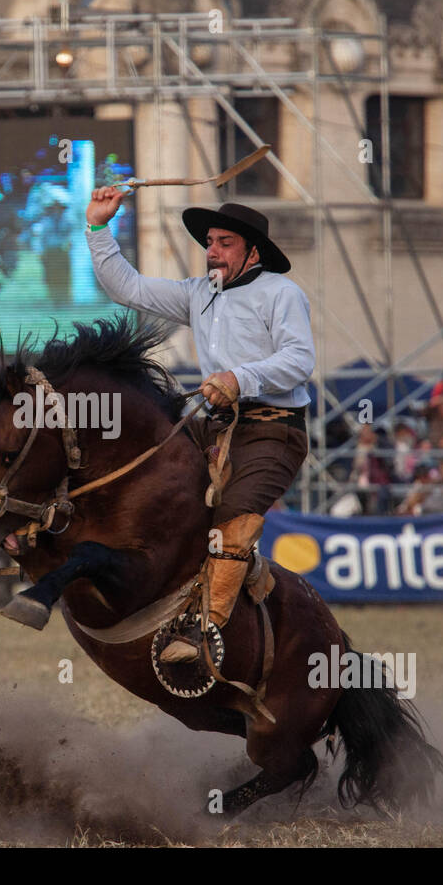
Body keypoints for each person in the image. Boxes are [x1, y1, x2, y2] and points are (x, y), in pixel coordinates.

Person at [86, 189, 313, 666]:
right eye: (209, 241)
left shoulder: (282, 293)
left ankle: (204, 631)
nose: (211, 250)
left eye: (224, 242)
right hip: (215, 429)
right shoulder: (198, 292)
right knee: (160, 494)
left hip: (274, 431)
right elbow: (127, 288)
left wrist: (238, 378)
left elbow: (299, 360)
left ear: (253, 251)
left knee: (231, 519)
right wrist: (99, 228)